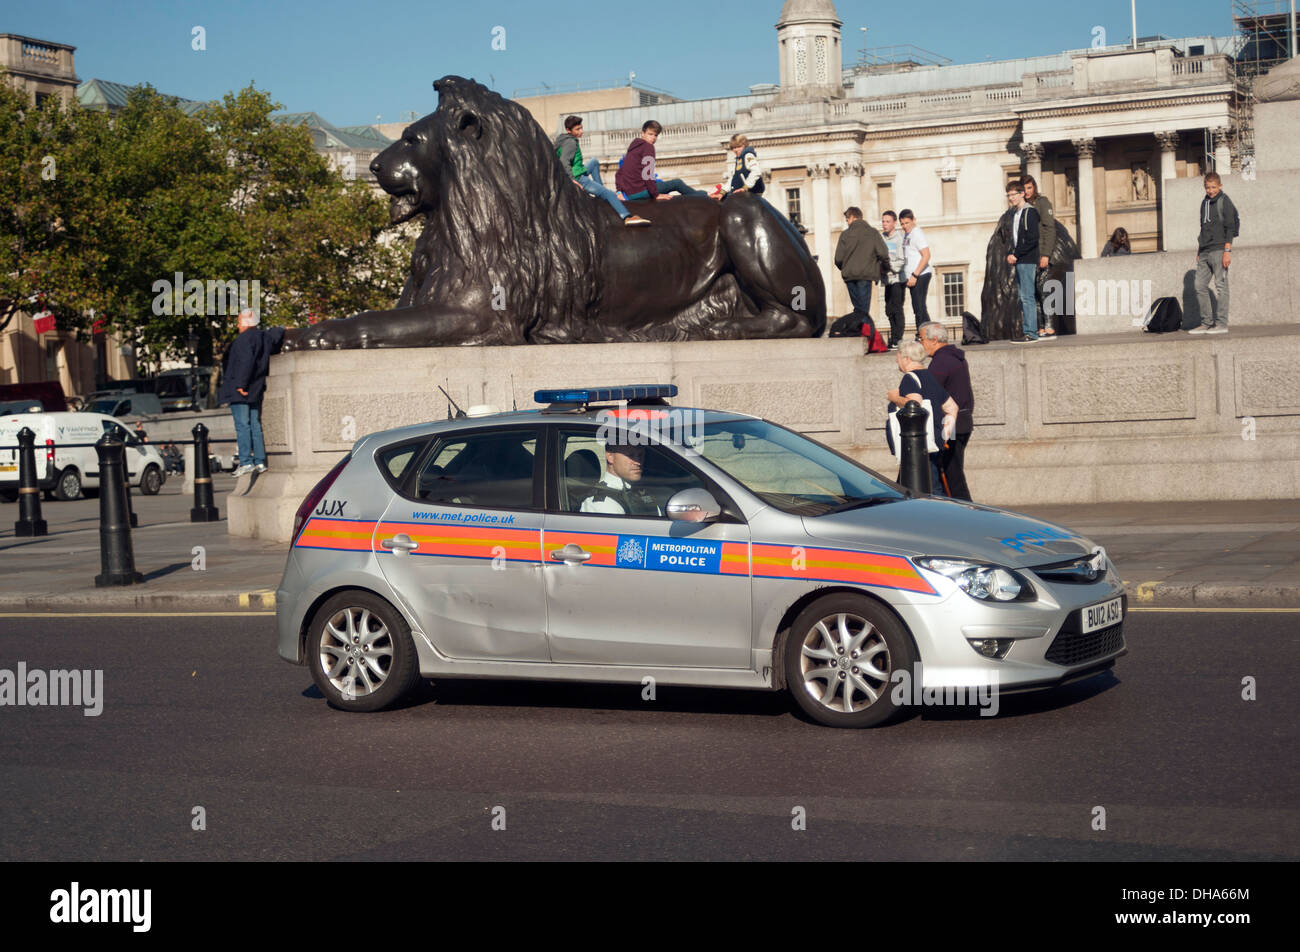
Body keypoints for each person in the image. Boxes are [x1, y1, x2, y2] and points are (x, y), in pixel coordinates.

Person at [217, 308, 286, 476]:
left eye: (239, 321)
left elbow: (245, 362)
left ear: (247, 323)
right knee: (255, 425)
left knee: (242, 426)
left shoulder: (243, 340)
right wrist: (284, 328)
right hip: (256, 388)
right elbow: (276, 333)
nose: (237, 325)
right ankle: (260, 461)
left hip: (241, 389)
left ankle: (246, 461)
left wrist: (241, 384)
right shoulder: (264, 337)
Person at [886, 340, 958, 495]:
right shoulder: (929, 376)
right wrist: (944, 436)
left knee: (929, 488)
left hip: (916, 445)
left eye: (897, 357)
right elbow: (952, 408)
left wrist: (894, 398)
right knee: (910, 486)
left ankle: (941, 516)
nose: (897, 361)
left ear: (906, 358)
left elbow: (913, 404)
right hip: (931, 442)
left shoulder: (910, 378)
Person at [554, 115, 651, 227]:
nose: (581, 131)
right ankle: (627, 217)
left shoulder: (564, 140)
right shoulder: (570, 143)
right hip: (578, 178)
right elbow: (563, 161)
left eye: (581, 128)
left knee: (594, 162)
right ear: (568, 130)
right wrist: (572, 180)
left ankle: (600, 192)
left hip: (578, 170)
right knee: (610, 194)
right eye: (577, 129)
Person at [919, 321, 974, 500]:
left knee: (950, 472)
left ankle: (966, 511)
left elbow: (929, 394)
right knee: (952, 471)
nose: (921, 344)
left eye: (922, 339)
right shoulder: (954, 357)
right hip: (961, 422)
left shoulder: (941, 362)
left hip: (951, 425)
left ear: (934, 339)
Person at [1190, 171, 1239, 335]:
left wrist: (1227, 251)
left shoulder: (1224, 201)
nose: (1210, 190)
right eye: (1207, 187)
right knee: (1199, 286)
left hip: (1219, 249)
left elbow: (1230, 227)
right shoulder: (1204, 203)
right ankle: (1206, 322)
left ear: (1220, 186)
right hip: (1204, 250)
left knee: (1221, 287)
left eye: (1213, 187)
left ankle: (1222, 324)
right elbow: (1203, 227)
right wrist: (1199, 250)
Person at [833, 207, 891, 336]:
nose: (847, 222)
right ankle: (866, 335)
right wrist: (884, 267)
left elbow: (838, 259)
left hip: (849, 276)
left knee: (858, 308)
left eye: (847, 219)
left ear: (852, 217)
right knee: (863, 309)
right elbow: (883, 253)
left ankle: (860, 332)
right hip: (865, 274)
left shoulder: (845, 234)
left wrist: (846, 267)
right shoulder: (872, 232)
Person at [615, 121, 706, 202]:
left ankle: (700, 194)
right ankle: (703, 198)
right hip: (641, 192)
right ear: (643, 133)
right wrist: (656, 195)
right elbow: (647, 174)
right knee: (677, 183)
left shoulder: (632, 149)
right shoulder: (648, 147)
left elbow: (619, 173)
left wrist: (619, 192)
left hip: (628, 194)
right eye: (650, 134)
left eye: (656, 135)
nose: (653, 138)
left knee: (660, 184)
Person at [579, 436, 662, 515]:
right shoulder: (604, 504)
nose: (638, 462)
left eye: (640, 455)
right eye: (631, 456)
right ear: (610, 456)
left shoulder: (641, 492)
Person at [1005, 181, 1043, 344]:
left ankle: (1031, 332)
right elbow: (1015, 237)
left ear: (1022, 194)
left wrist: (1016, 254)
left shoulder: (1029, 212)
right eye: (1008, 195)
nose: (1011, 198)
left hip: (1027, 258)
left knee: (1027, 296)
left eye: (1013, 194)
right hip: (1020, 258)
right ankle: (1029, 330)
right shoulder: (1016, 213)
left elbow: (1032, 238)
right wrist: (1011, 253)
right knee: (1024, 296)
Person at [1021, 175, 1058, 338]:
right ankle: (1040, 326)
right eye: (1024, 188)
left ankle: (1049, 324)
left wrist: (1046, 254)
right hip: (1029, 255)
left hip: (1041, 252)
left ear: (1034, 187)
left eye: (1029, 188)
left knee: (1044, 289)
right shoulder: (1022, 207)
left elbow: (1050, 228)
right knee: (1032, 291)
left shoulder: (1042, 203)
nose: (1027, 191)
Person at [898, 210, 933, 335]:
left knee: (919, 306)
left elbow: (926, 255)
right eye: (902, 224)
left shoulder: (917, 233)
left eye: (907, 223)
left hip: (921, 275)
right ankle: (926, 333)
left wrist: (915, 275)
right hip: (912, 277)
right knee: (917, 306)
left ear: (914, 220)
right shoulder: (907, 235)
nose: (904, 226)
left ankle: (925, 334)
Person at [880, 210, 907, 348]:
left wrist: (890, 268)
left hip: (897, 279)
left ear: (894, 223)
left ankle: (898, 338)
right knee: (888, 309)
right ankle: (893, 336)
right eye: (883, 221)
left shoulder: (899, 239)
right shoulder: (881, 238)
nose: (884, 224)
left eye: (887, 221)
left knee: (897, 308)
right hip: (887, 280)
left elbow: (902, 260)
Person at [716, 134, 765, 199]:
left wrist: (745, 187)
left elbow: (756, 171)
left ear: (744, 146)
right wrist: (723, 192)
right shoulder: (739, 159)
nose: (736, 150)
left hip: (751, 193)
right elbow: (734, 178)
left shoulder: (748, 156)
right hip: (739, 193)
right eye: (733, 148)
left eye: (738, 147)